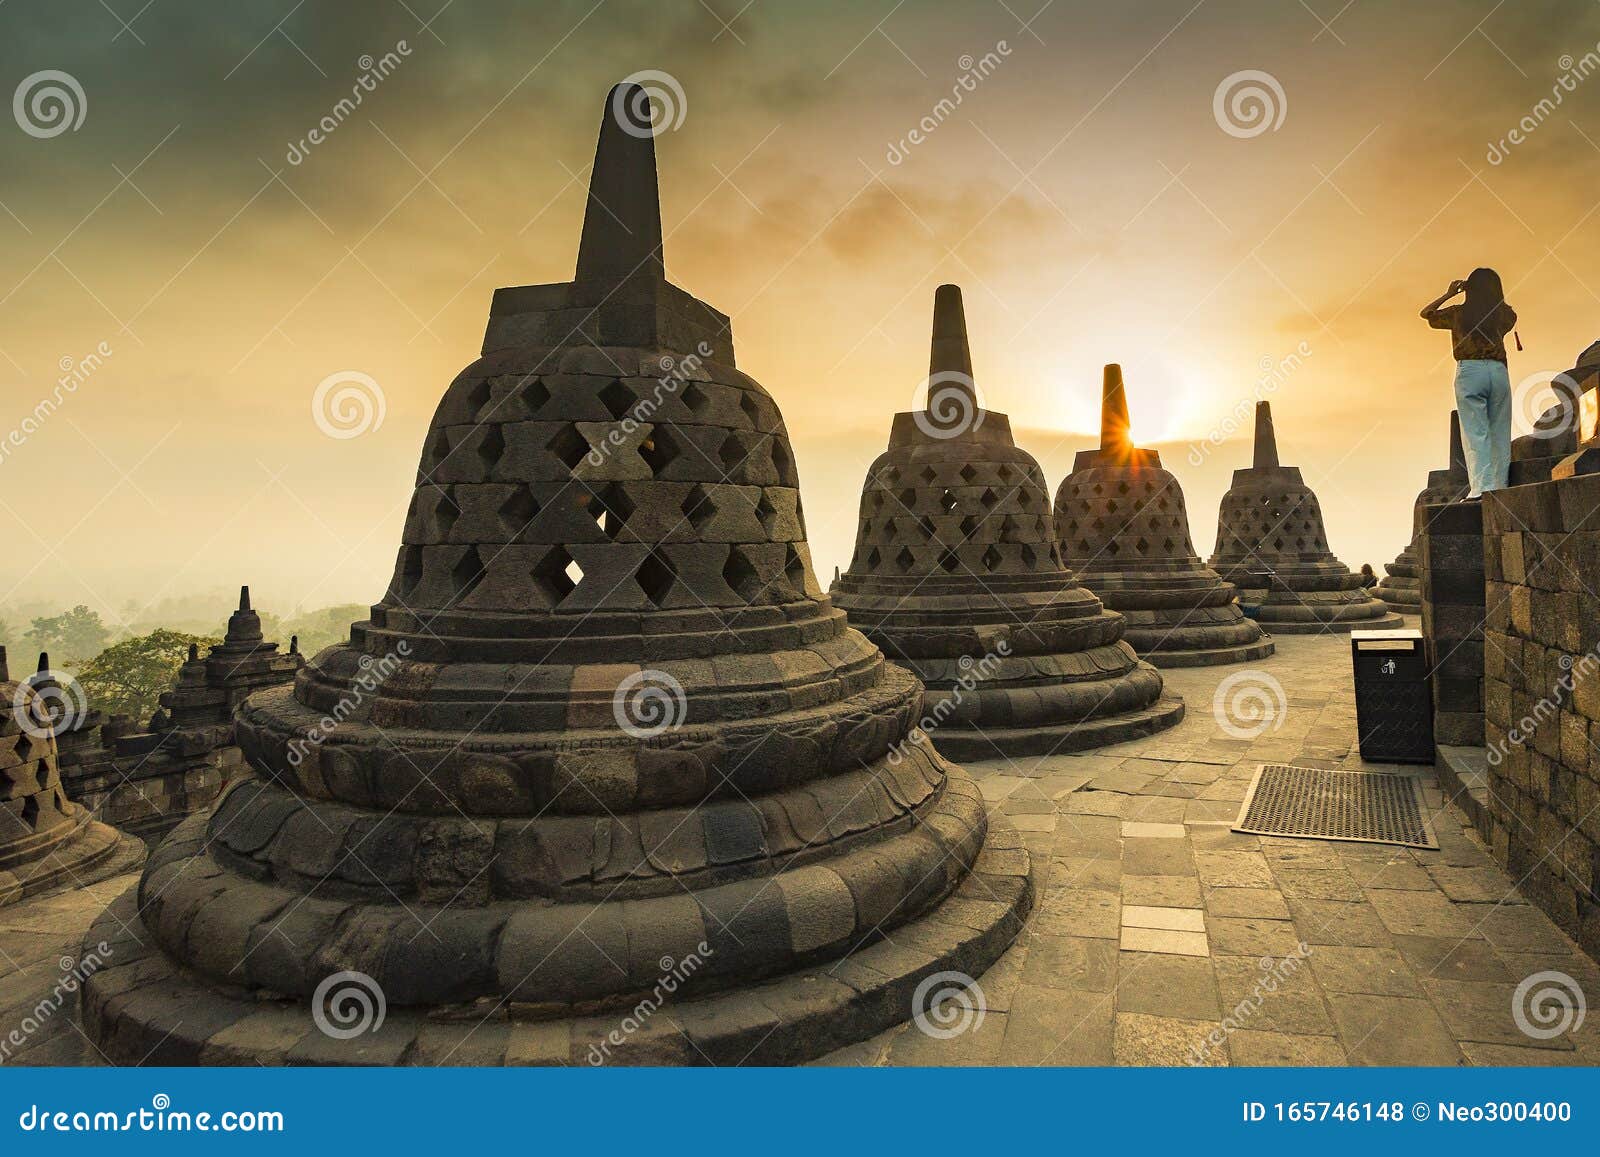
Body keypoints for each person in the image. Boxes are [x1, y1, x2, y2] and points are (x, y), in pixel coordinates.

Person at [1420, 268, 1517, 496]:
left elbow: (1427, 313)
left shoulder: (1458, 314)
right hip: (1498, 371)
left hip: (1470, 370)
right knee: (1500, 432)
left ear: (1469, 289)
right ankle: (1500, 488)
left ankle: (1481, 490)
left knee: (1475, 433)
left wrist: (1450, 293)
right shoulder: (1504, 315)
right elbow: (1508, 313)